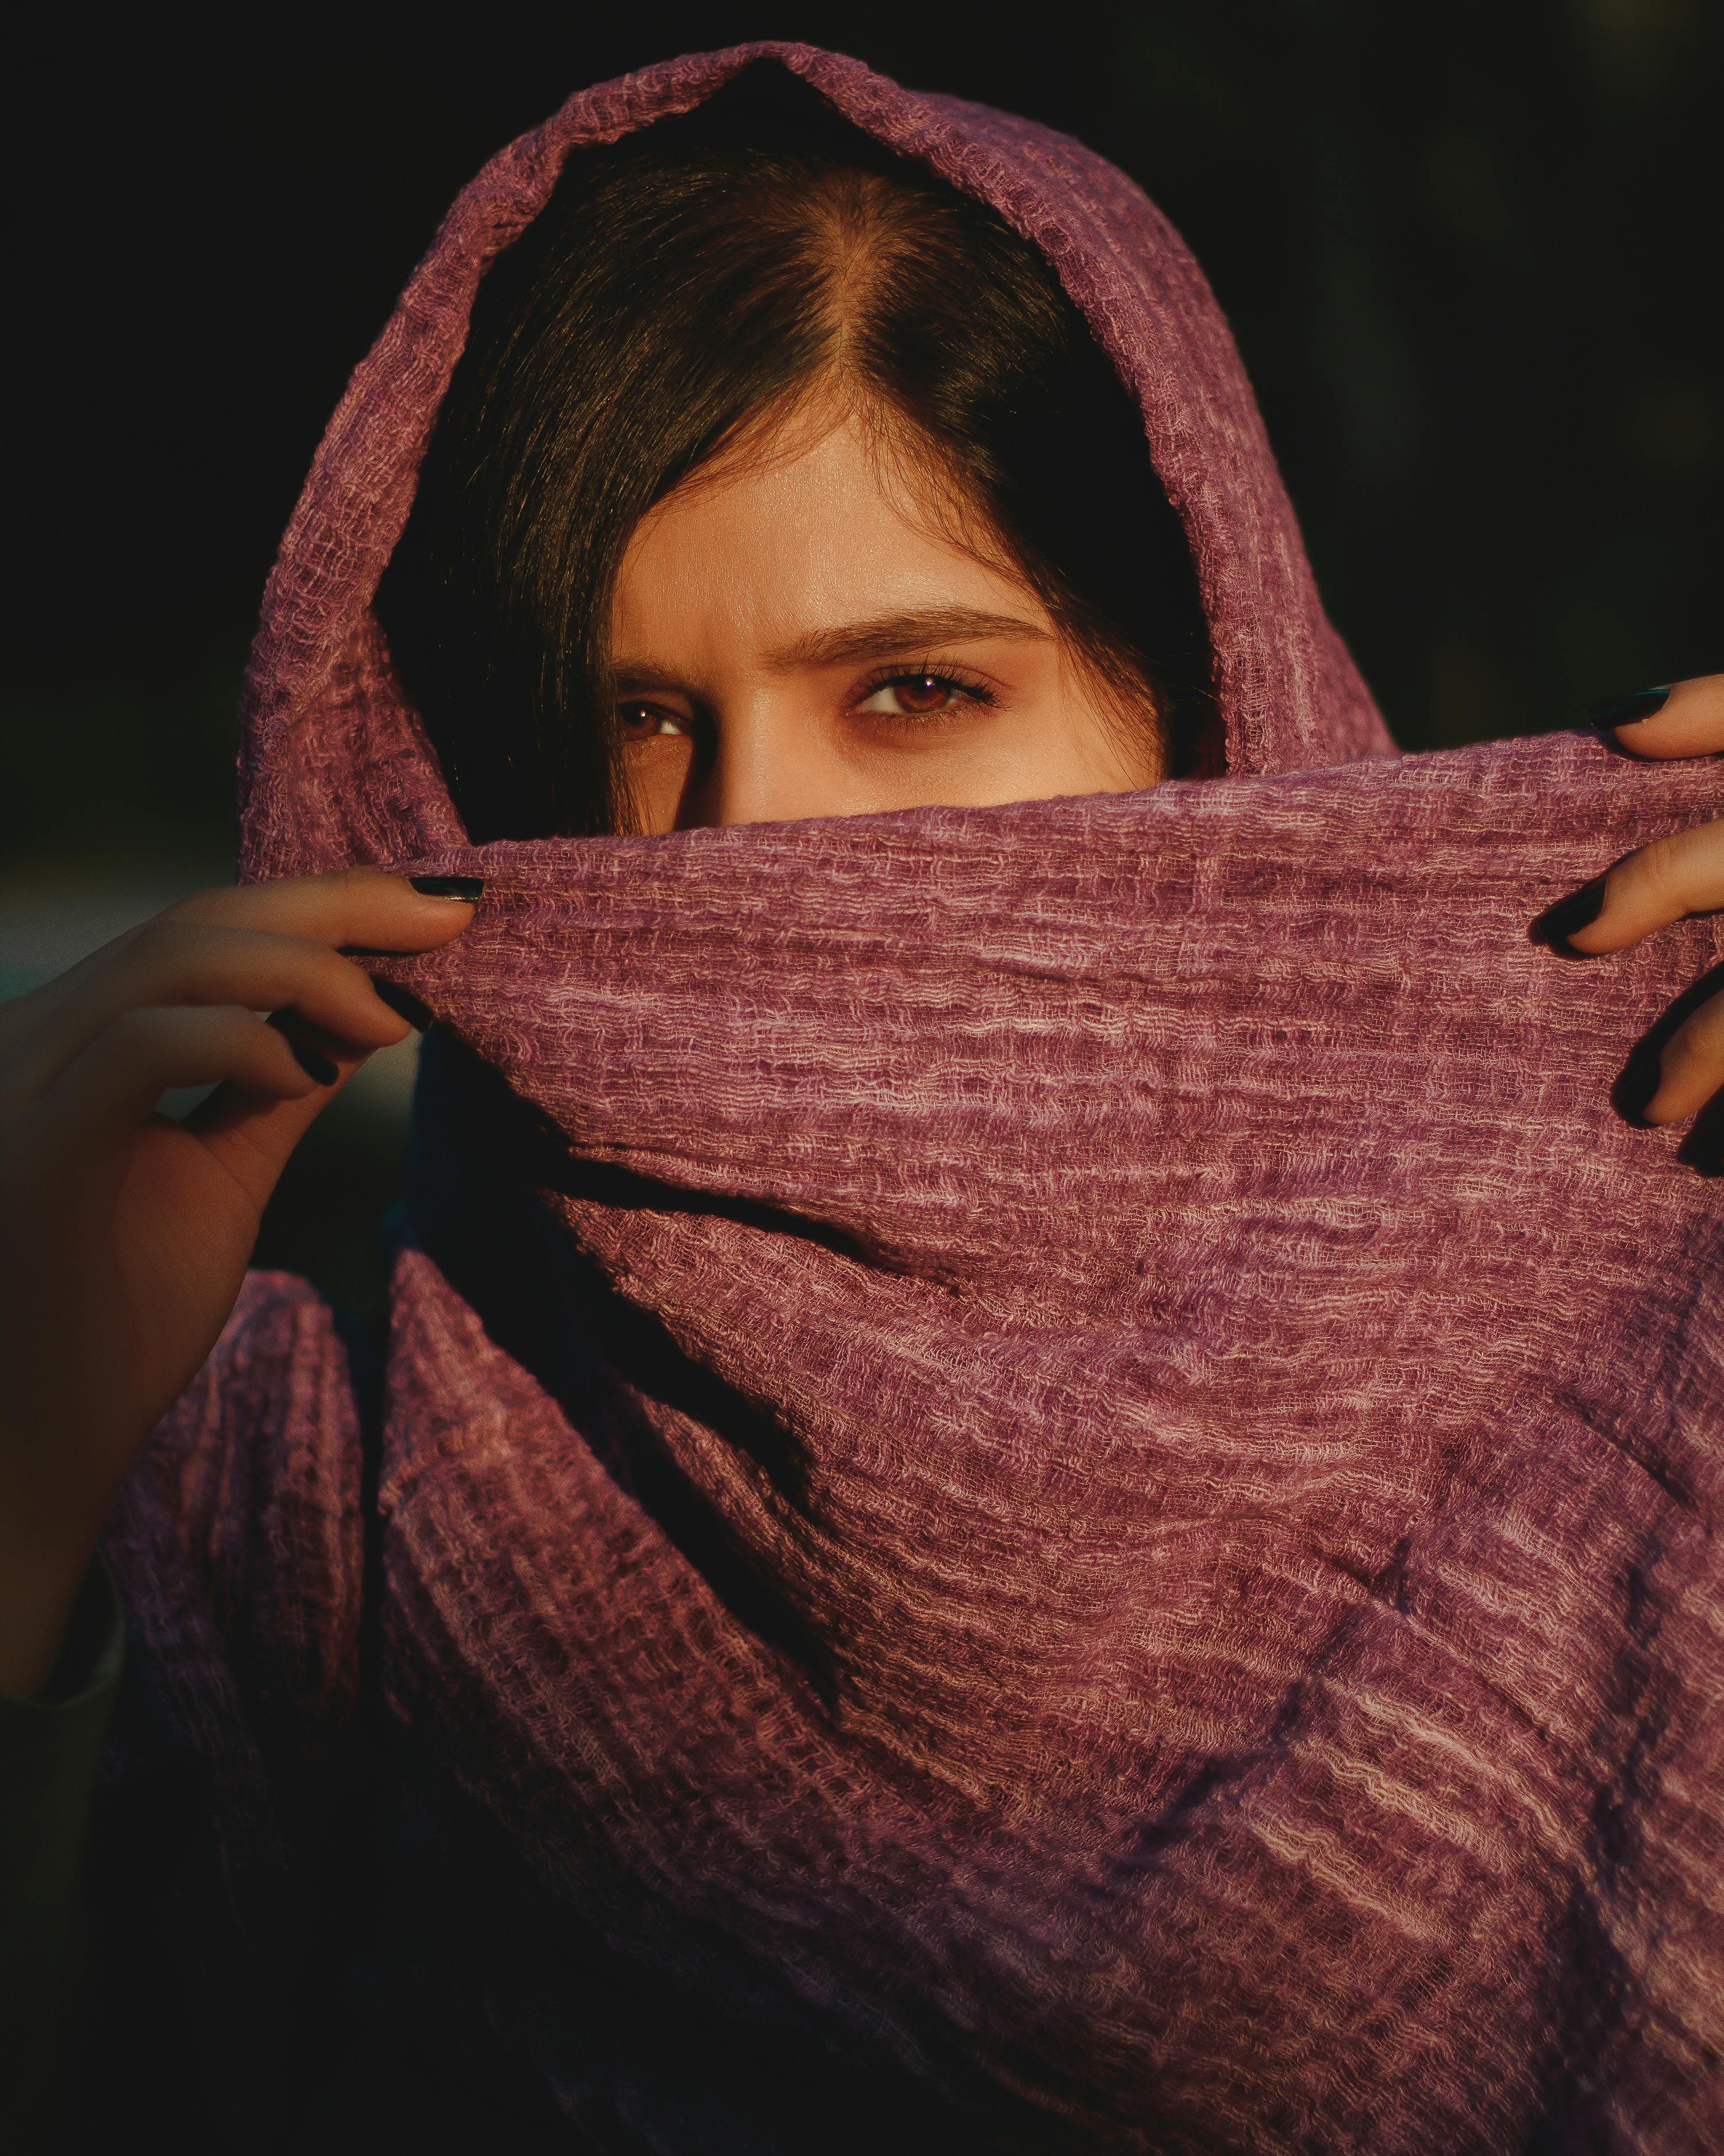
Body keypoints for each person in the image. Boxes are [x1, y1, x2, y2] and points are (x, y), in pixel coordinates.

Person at [5, 46, 1724, 2155]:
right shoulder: (331, 1495)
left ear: (1214, 694)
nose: (754, 846)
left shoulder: (1657, 1322)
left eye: (914, 691)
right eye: (634, 726)